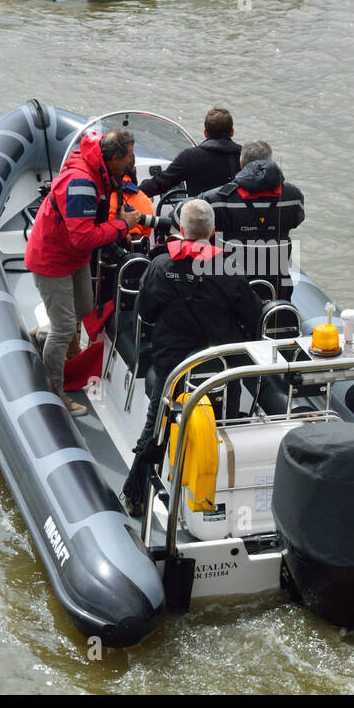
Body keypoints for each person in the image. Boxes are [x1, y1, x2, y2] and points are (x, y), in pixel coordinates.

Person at [122, 199, 262, 515]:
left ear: (182, 230)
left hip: (174, 367)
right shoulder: (229, 269)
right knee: (228, 420)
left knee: (153, 429)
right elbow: (252, 315)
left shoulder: (159, 267)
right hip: (220, 366)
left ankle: (135, 494)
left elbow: (145, 312)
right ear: (212, 232)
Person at [24, 130, 141, 415]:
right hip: (53, 259)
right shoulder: (81, 182)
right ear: (113, 158)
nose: (131, 161)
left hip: (72, 257)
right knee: (65, 328)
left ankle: (44, 336)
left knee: (84, 307)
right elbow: (82, 237)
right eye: (127, 157)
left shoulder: (97, 168)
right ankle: (55, 391)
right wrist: (122, 226)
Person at [198, 140, 305, 300]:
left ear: (241, 164)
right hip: (277, 282)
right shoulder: (294, 195)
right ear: (270, 162)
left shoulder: (215, 198)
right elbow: (296, 220)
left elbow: (190, 220)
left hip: (231, 282)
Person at [137, 106, 241, 199]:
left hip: (201, 217)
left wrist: (134, 191)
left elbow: (160, 183)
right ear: (232, 132)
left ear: (205, 133)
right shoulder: (245, 156)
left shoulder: (190, 157)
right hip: (237, 217)